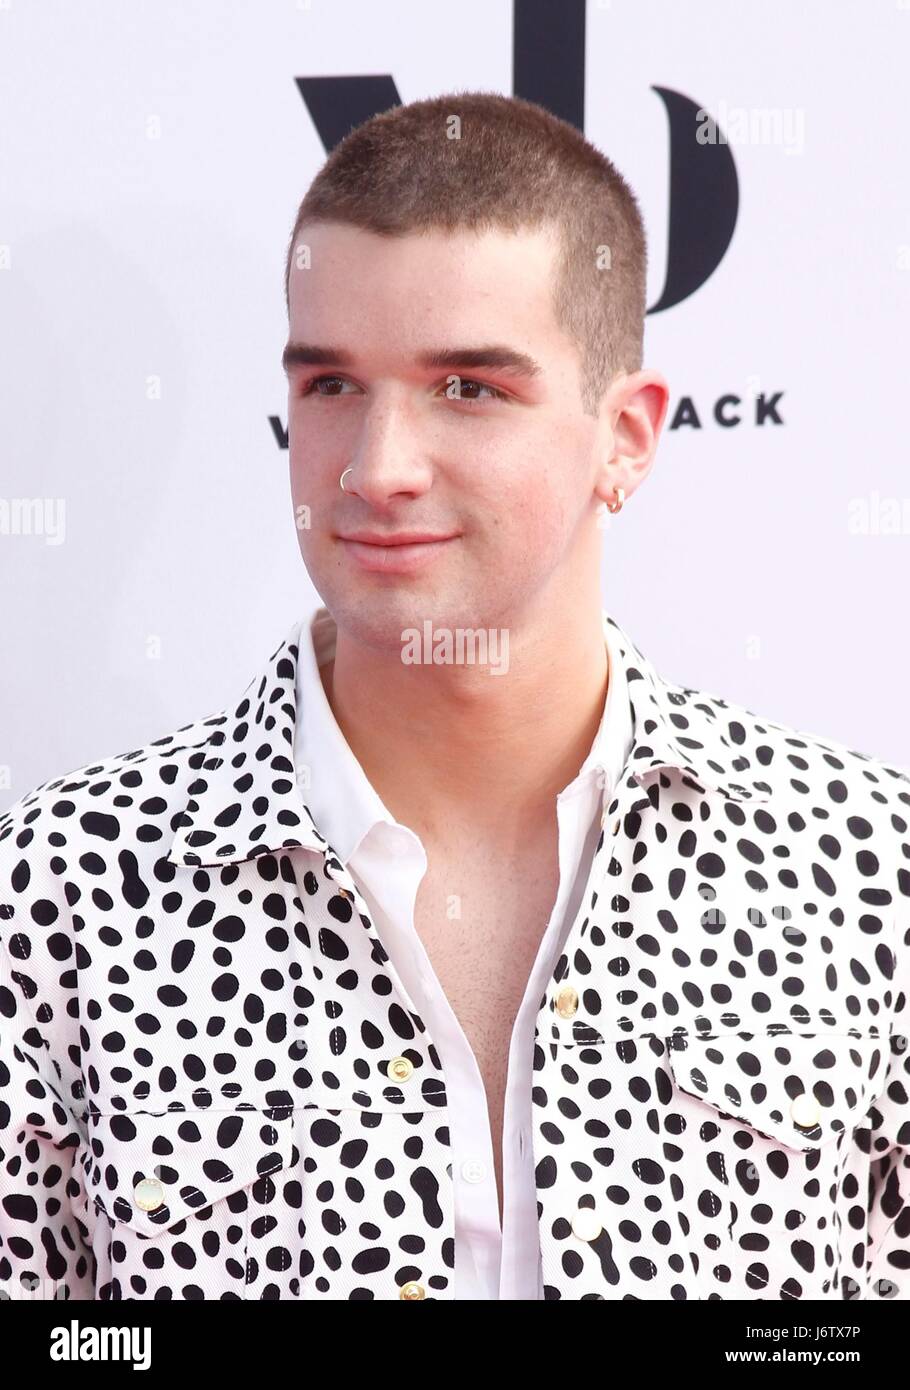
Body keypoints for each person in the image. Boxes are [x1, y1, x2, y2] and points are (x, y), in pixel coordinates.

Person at [1, 90, 908, 1303]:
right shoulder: (59, 892)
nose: (375, 470)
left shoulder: (863, 874)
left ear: (626, 437)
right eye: (329, 386)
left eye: (468, 389)